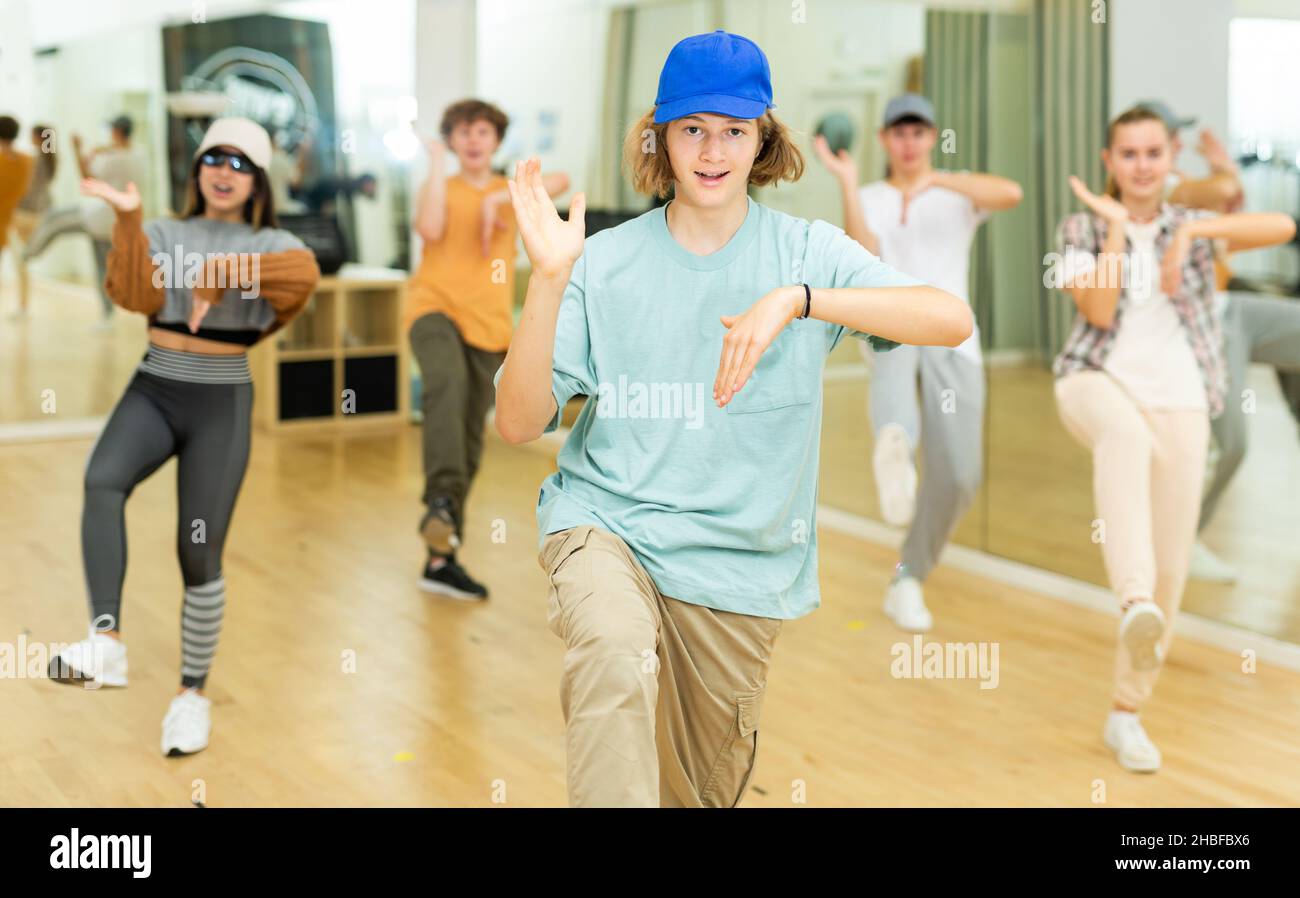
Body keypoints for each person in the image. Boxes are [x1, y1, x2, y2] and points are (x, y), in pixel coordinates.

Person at [494, 30, 972, 806]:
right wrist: (548, 281)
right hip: (606, 524)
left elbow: (949, 318)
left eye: (734, 130)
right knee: (614, 653)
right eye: (692, 129)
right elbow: (517, 423)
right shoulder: (603, 263)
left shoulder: (807, 252)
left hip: (735, 575)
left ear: (763, 141)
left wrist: (801, 299)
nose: (712, 151)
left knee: (698, 794)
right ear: (660, 138)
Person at [47, 117, 321, 757]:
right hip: (155, 386)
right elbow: (134, 294)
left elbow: (300, 281)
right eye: (213, 159)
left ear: (256, 180)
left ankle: (191, 697)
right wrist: (131, 220)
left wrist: (219, 276)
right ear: (196, 169)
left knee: (198, 552)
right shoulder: (165, 232)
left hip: (219, 398)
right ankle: (106, 644)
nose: (224, 172)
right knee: (102, 481)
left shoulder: (275, 240)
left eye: (240, 163)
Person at [1052, 106, 1294, 773]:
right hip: (1094, 382)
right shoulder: (1077, 226)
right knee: (1123, 440)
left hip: (1183, 399)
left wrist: (1196, 236)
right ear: (1109, 162)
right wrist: (1113, 230)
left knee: (1174, 571)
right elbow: (1098, 311)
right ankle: (1132, 598)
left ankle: (1126, 714)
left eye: (1153, 153)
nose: (1141, 165)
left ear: (1170, 158)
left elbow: (1282, 225)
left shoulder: (1193, 224)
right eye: (1127, 154)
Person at [814, 93, 1022, 631]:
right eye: (899, 133)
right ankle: (894, 444)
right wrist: (845, 182)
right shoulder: (872, 195)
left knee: (959, 477)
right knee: (893, 352)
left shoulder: (957, 193)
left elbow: (1011, 194)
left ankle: (908, 574)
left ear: (931, 137)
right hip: (894, 329)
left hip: (954, 341)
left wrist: (941, 181)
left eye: (918, 133)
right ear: (885, 140)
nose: (909, 143)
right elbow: (865, 255)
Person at [405, 99, 568, 599]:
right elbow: (430, 230)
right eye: (461, 132)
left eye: (482, 132)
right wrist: (435, 163)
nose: (473, 139)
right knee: (445, 388)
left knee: (471, 440)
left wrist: (500, 203)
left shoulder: (511, 191)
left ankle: (441, 553)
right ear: (451, 141)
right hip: (433, 310)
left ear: (496, 141)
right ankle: (439, 503)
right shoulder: (439, 186)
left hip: (490, 326)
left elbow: (559, 182)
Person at [1136, 101, 1300, 583]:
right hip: (1203, 328)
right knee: (1233, 446)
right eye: (1172, 137)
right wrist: (1224, 170)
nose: (1179, 145)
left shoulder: (1183, 187)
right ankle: (1182, 539)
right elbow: (1224, 189)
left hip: (1233, 308)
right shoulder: (1161, 186)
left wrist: (1223, 190)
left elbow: (1236, 208)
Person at [22, 114, 147, 328]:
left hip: (100, 219)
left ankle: (28, 252)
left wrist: (78, 149)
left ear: (116, 132)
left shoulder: (115, 160)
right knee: (101, 266)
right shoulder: (138, 154)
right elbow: (122, 151)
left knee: (56, 222)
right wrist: (103, 150)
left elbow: (87, 178)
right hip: (113, 219)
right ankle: (107, 315)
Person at [7, 121, 54, 318]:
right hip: (39, 215)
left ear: (37, 137)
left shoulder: (32, 160)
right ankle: (23, 306)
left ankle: (23, 306)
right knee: (23, 260)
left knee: (20, 260)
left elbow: (23, 189)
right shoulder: (50, 160)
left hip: (22, 215)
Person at [0, 116, 35, 311]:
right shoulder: (27, 161)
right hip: (18, 218)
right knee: (22, 264)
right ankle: (23, 306)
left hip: (7, 221)